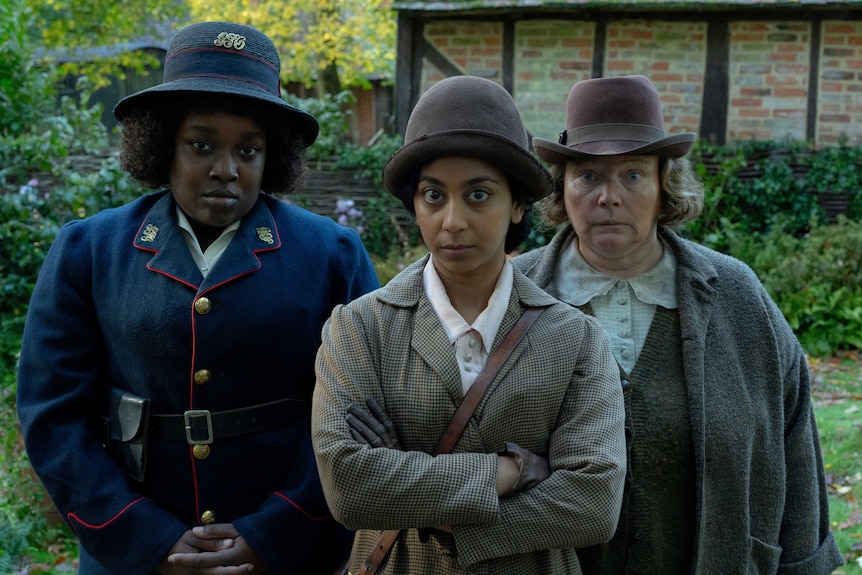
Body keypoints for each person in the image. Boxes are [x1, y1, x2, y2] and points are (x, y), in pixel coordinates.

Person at [16, 21, 380, 575]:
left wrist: (275, 531)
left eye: (249, 150)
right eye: (201, 144)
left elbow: (361, 411)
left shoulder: (333, 255)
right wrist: (144, 537)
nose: (226, 169)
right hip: (132, 555)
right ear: (163, 146)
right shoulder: (89, 250)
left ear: (271, 157)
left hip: (290, 554)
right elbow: (53, 413)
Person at [512, 74, 844, 574]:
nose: (608, 197)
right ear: (561, 186)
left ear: (664, 184)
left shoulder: (736, 294)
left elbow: (794, 440)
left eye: (632, 175)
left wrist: (805, 566)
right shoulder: (514, 293)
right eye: (588, 176)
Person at [311, 75, 627, 575]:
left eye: (478, 195)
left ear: (518, 203)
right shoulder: (359, 329)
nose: (452, 220)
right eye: (433, 196)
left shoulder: (575, 339)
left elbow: (594, 502)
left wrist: (416, 493)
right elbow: (349, 489)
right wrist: (510, 471)